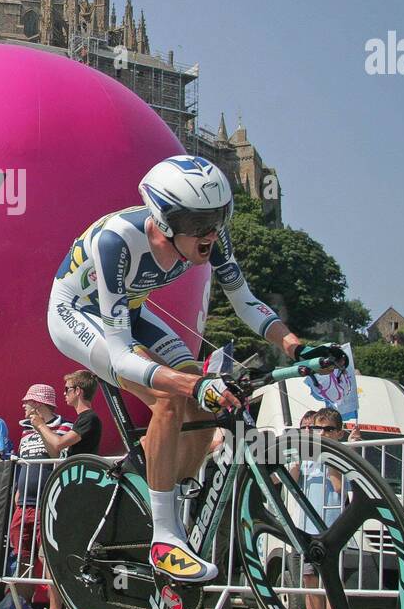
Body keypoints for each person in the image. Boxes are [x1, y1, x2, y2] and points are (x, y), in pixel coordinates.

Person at [47, 155, 343, 583]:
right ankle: (165, 539)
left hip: (131, 309)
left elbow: (245, 302)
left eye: (216, 219)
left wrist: (294, 345)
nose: (209, 234)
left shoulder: (210, 238)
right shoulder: (116, 242)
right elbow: (122, 349)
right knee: (172, 394)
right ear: (166, 221)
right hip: (78, 313)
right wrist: (190, 383)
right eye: (197, 223)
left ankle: (165, 492)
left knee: (209, 401)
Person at [9, 384, 72, 609]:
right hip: (24, 504)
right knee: (22, 557)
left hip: (49, 503)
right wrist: (17, 493)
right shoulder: (25, 431)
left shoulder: (65, 426)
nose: (23, 406)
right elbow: (24, 461)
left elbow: (58, 454)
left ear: (37, 403)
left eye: (27, 402)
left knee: (49, 558)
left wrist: (41, 426)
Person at [294, 408, 345, 609]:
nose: (322, 434)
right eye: (318, 429)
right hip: (308, 529)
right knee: (309, 580)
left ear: (338, 433)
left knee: (331, 584)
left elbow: (339, 487)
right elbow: (287, 479)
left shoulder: (339, 456)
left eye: (328, 429)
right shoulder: (306, 456)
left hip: (331, 528)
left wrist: (330, 458)